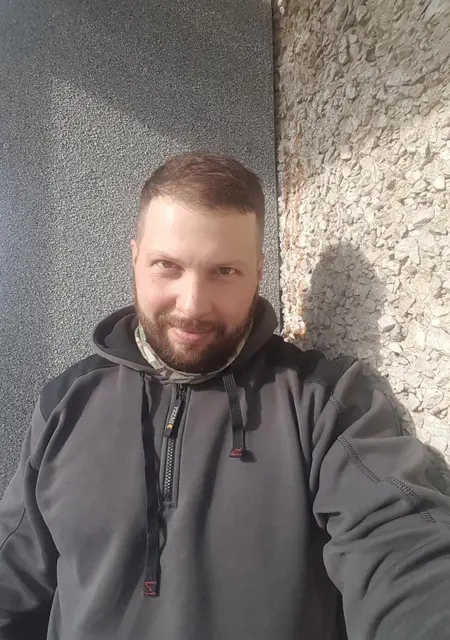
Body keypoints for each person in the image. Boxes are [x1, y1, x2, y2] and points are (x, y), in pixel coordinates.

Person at [1, 152, 449, 640]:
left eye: (224, 271)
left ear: (258, 271)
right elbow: (15, 578)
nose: (192, 305)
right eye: (167, 266)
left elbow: (402, 542)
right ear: (135, 258)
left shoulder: (324, 403)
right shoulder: (66, 404)